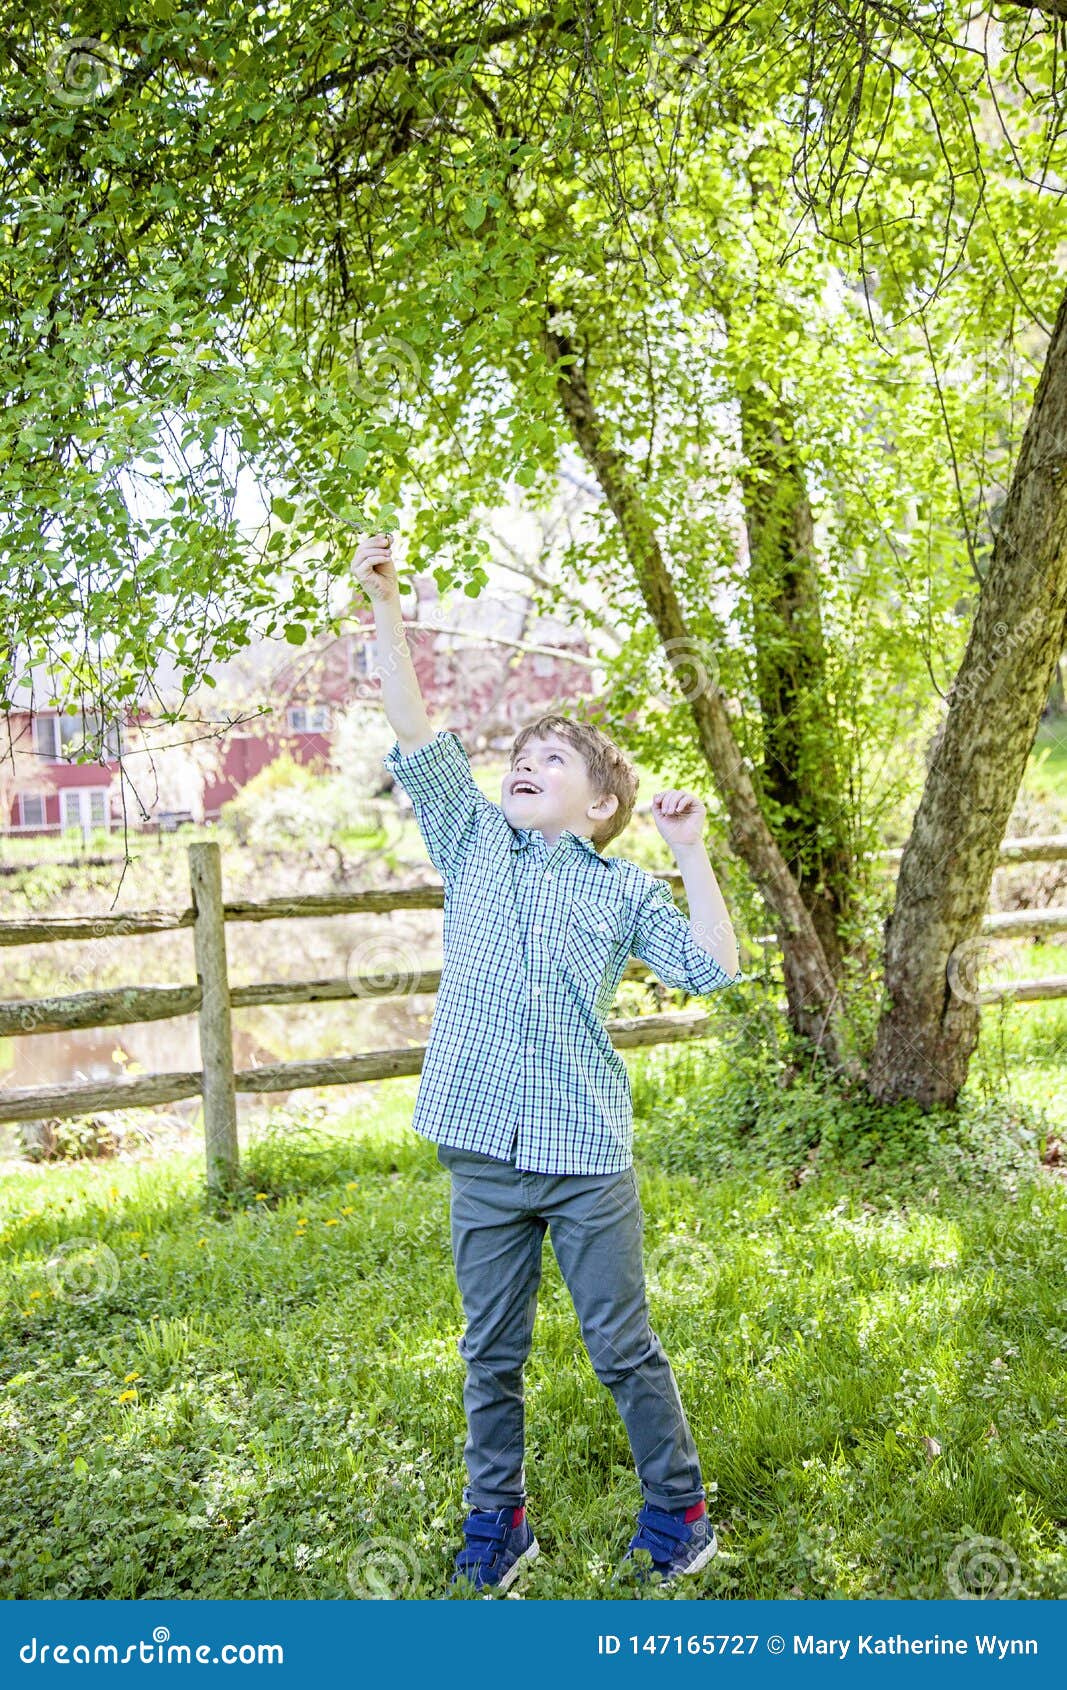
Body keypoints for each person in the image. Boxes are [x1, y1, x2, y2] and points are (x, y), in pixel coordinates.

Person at [352, 532, 742, 1596]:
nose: (524, 762)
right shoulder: (471, 840)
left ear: (601, 804)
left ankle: (678, 1509)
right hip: (481, 1149)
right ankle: (497, 1520)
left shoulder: (619, 892)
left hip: (582, 1156)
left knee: (620, 1345)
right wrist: (385, 601)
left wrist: (694, 852)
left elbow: (713, 968)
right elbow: (408, 716)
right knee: (491, 1353)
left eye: (553, 759)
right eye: (519, 753)